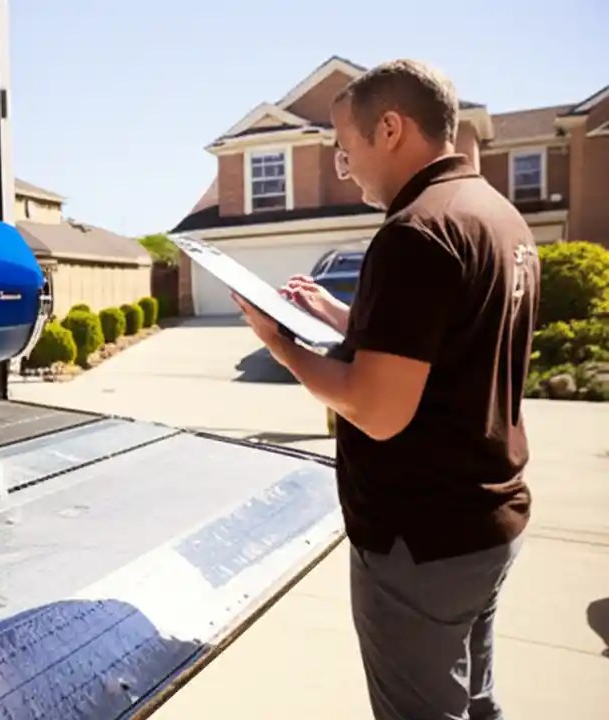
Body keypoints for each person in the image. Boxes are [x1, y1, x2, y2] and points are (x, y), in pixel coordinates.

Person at [231, 58, 539, 720]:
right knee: (475, 705)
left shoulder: (416, 232)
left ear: (391, 129)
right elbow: (451, 347)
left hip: (420, 539)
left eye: (346, 150)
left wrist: (279, 342)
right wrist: (343, 320)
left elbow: (374, 410)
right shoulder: (497, 216)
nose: (345, 168)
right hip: (486, 518)